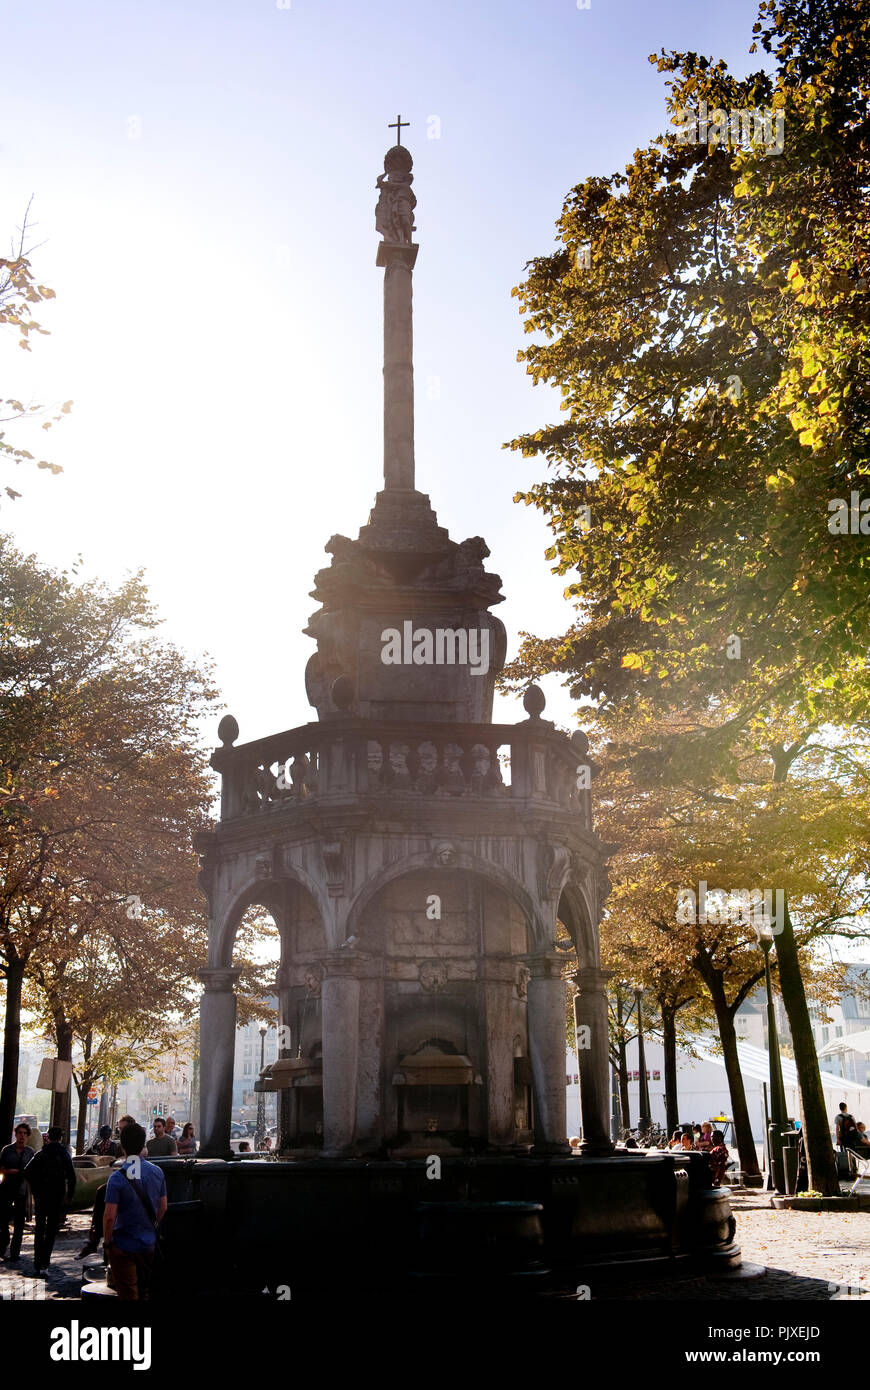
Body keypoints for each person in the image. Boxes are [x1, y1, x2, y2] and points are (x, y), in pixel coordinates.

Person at [103, 1122, 167, 1301]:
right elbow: (163, 1207)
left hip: (123, 1246)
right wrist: (151, 1225)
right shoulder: (157, 1172)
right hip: (148, 1244)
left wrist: (108, 1244)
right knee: (144, 1292)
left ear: (122, 1146)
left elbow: (109, 1217)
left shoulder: (117, 1179)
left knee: (128, 1294)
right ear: (143, 1145)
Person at [77, 1115, 142, 1259]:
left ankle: (96, 1239)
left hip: (131, 1185)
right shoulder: (119, 1146)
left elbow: (133, 1168)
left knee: (104, 1196)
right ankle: (95, 1237)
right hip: (120, 1180)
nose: (120, 1132)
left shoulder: (136, 1146)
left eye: (123, 1129)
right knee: (102, 1194)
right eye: (119, 1129)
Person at [23, 1125, 76, 1272]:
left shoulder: (41, 1153)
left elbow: (27, 1171)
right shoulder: (64, 1154)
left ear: (48, 1137)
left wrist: (35, 1189)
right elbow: (71, 1176)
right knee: (51, 1230)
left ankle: (37, 1262)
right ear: (60, 1138)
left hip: (41, 1196)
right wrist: (69, 1195)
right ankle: (45, 1262)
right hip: (56, 1196)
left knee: (39, 1229)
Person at [0, 1123, 36, 1263]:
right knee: (3, 1220)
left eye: (25, 1134)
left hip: (22, 1190)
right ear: (16, 1134)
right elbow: (1, 1168)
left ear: (27, 1136)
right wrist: (11, 1171)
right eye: (20, 1133)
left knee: (20, 1223)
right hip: (6, 1189)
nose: (22, 1136)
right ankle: (3, 1244)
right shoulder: (7, 1150)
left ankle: (15, 1252)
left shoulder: (30, 1152)